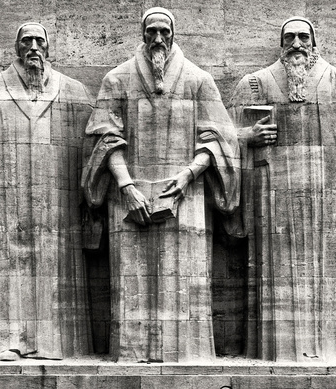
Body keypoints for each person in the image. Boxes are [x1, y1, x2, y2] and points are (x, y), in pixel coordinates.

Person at [83, 7, 239, 362]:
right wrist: (126, 186)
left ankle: (189, 355)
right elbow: (104, 137)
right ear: (142, 34)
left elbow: (220, 138)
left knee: (185, 283)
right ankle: (133, 355)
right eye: (151, 31)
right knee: (132, 283)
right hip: (129, 196)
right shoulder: (117, 80)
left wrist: (187, 176)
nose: (157, 38)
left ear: (173, 34)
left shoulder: (199, 80)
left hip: (187, 195)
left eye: (164, 32)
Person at [229, 17, 336, 362]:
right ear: (281, 44)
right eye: (289, 37)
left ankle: (334, 351)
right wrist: (247, 137)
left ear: (314, 42)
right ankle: (277, 352)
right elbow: (220, 136)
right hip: (272, 201)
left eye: (303, 37)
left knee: (332, 276)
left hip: (328, 201)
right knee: (276, 276)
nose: (296, 43)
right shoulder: (255, 84)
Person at [0, 22, 94, 360]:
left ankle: (57, 343)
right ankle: (9, 341)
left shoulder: (74, 92)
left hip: (59, 206)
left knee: (55, 268)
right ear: (17, 47)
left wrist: (92, 202)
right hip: (7, 203)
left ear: (48, 48)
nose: (33, 47)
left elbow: (92, 152)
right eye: (26, 41)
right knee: (9, 267)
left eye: (39, 41)